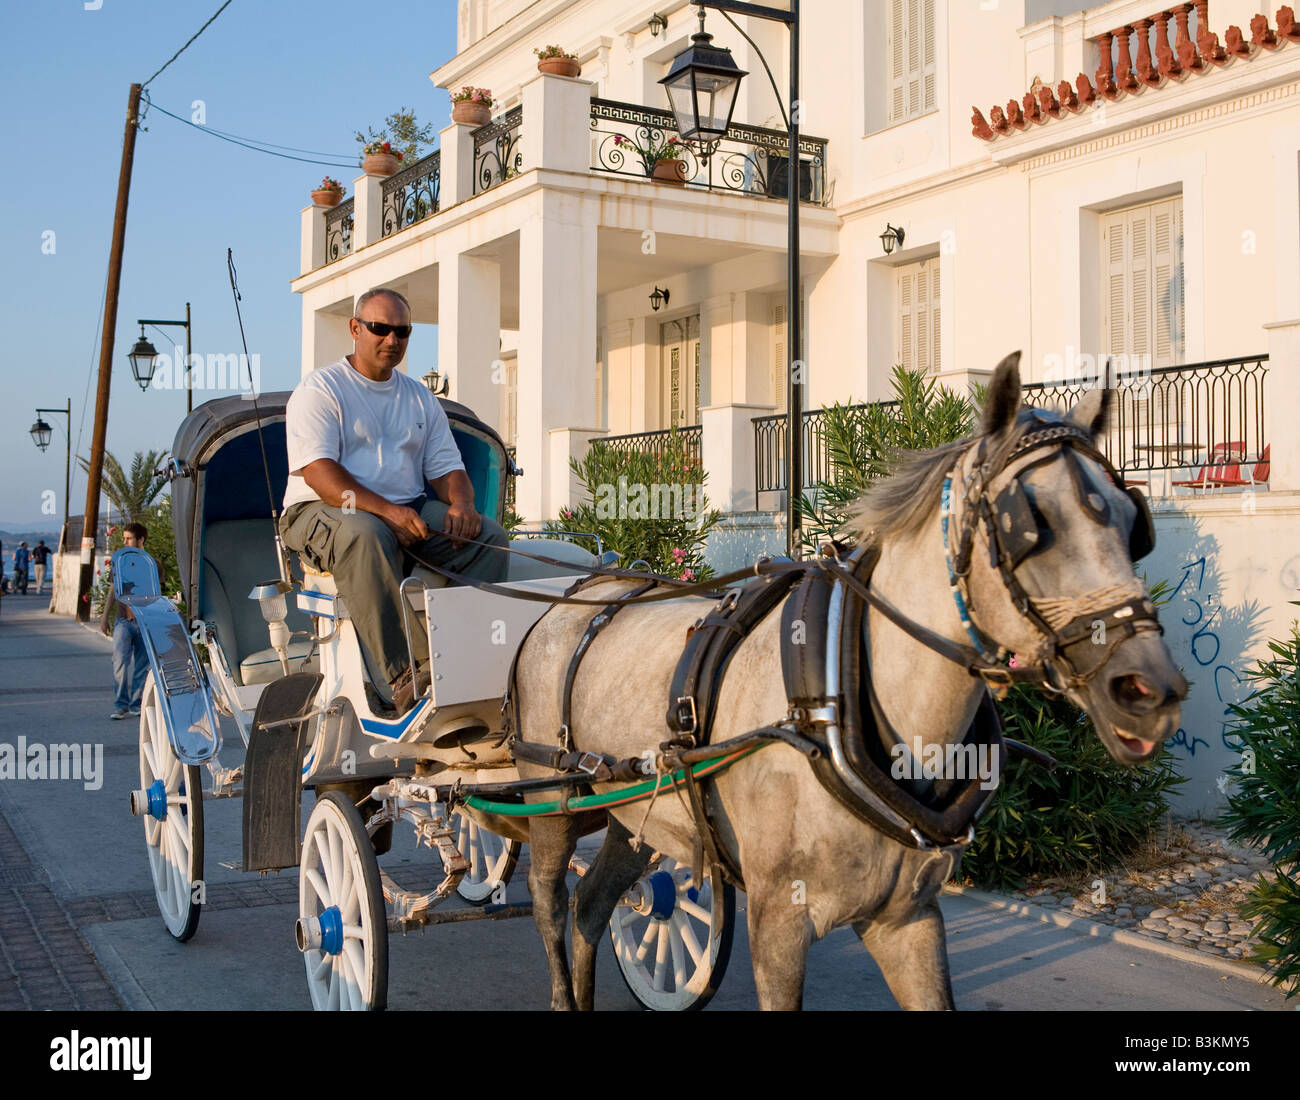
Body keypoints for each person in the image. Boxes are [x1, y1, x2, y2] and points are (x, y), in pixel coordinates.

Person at [280, 287, 509, 715]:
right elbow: (323, 478)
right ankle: (404, 677)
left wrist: (461, 505)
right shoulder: (321, 389)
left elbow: (448, 469)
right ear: (355, 329)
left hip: (404, 510)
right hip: (321, 510)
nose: (392, 340)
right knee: (365, 535)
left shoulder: (419, 397)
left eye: (402, 331)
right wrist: (387, 512)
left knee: (488, 537)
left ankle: (472, 659)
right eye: (380, 329)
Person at [101, 523, 152, 720]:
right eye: (124, 538)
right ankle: (120, 705)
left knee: (141, 665)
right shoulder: (119, 563)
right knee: (120, 662)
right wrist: (104, 617)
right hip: (123, 621)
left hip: (144, 621)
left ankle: (136, 704)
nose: (124, 542)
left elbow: (155, 593)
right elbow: (112, 590)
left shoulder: (152, 564)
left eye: (128, 538)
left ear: (141, 540)